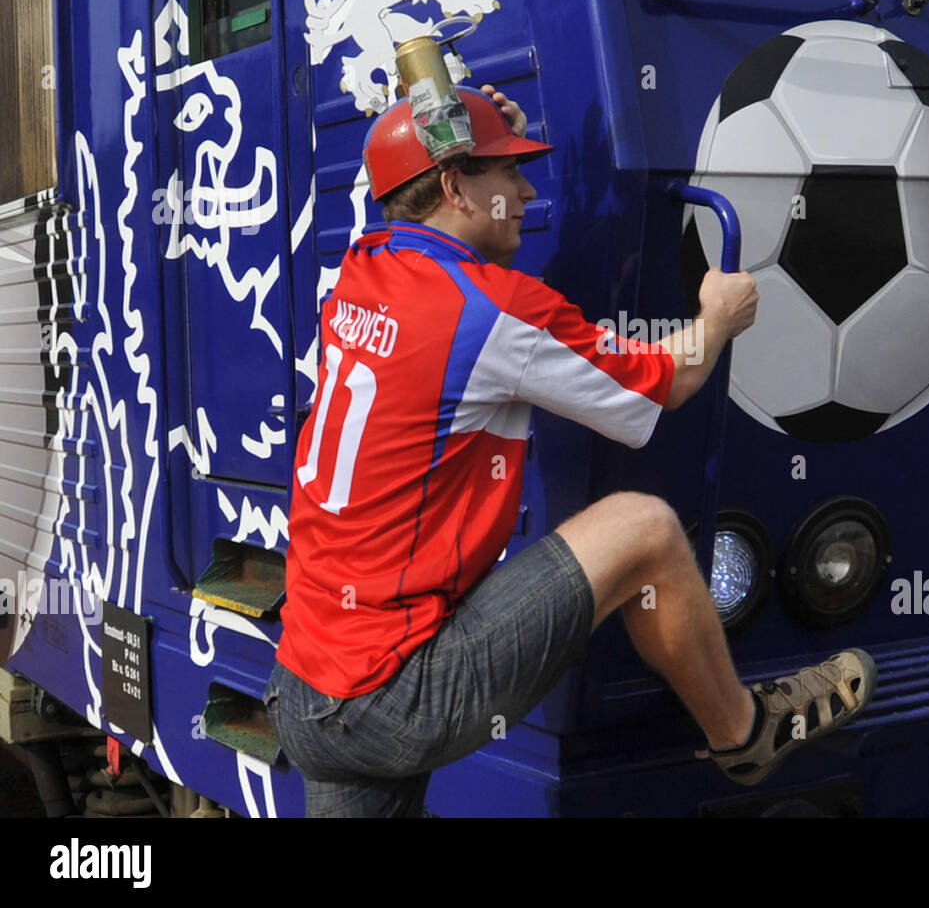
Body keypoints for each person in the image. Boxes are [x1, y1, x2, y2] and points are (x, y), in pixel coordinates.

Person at [262, 83, 878, 816]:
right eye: (507, 174)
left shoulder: (360, 276)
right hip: (396, 694)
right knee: (644, 529)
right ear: (455, 187)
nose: (526, 191)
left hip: (306, 689)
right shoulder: (490, 309)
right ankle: (744, 733)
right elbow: (660, 383)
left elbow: (407, 186)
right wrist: (715, 321)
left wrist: (487, 129)